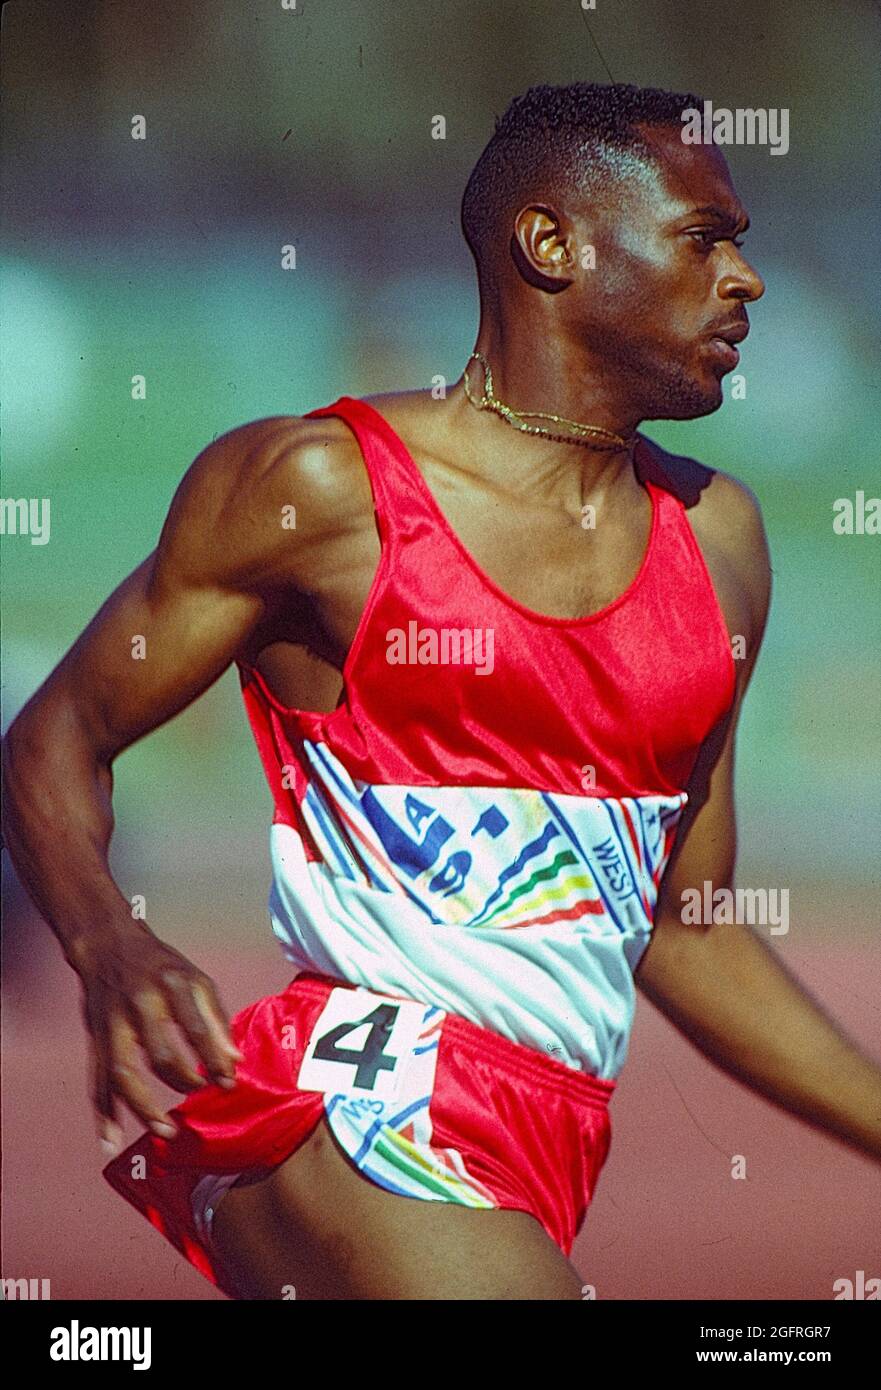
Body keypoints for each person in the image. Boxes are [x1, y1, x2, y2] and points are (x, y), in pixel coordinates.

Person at [3, 82, 880, 1302]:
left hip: (549, 1139)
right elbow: (54, 737)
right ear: (551, 244)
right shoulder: (320, 490)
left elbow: (683, 925)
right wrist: (106, 943)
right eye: (703, 237)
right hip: (352, 1101)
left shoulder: (716, 541)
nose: (746, 279)